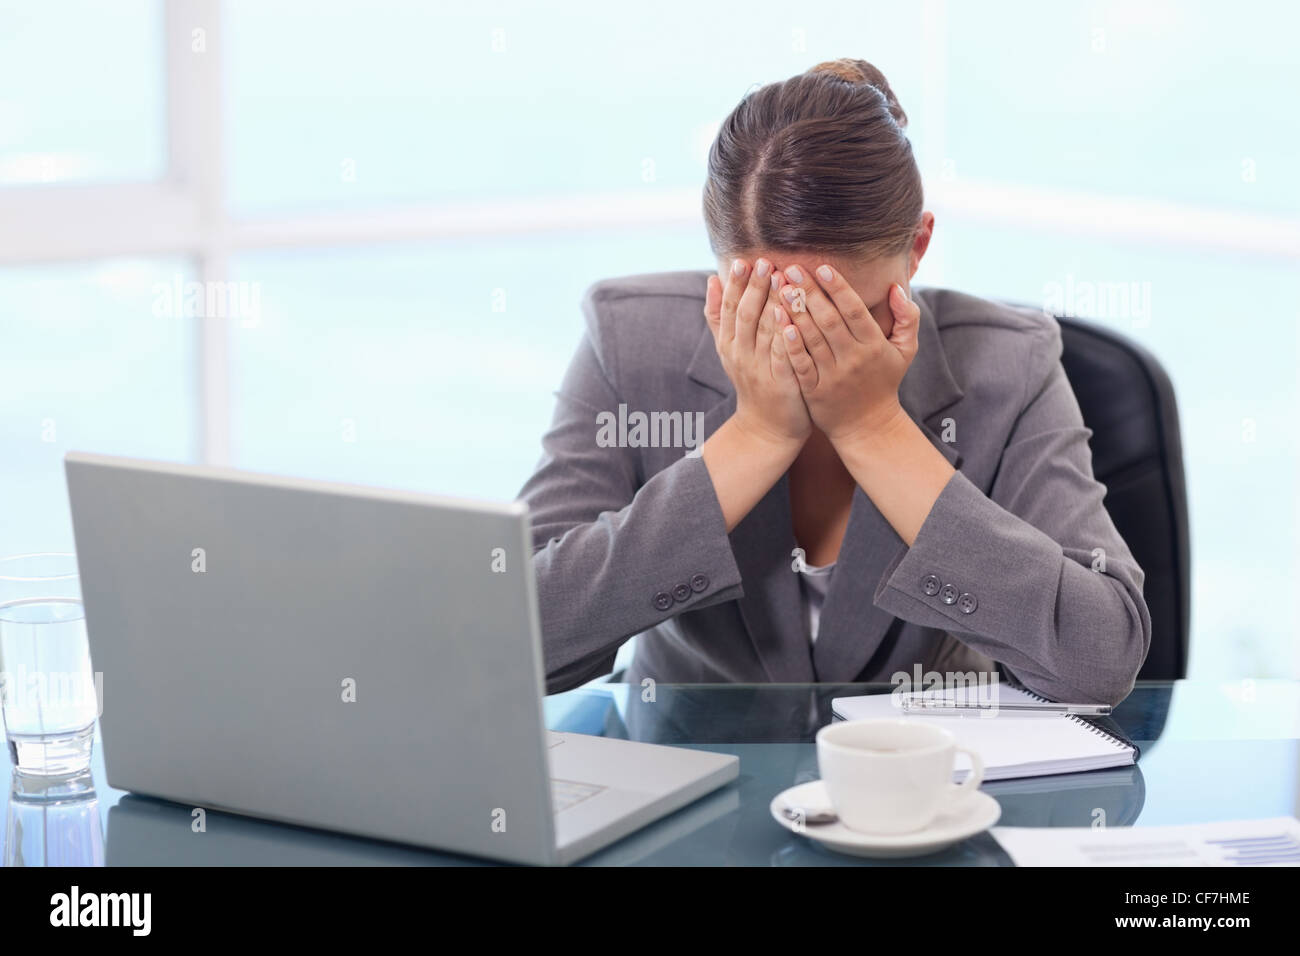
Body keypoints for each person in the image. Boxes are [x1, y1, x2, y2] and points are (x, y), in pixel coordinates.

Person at [518, 58, 1151, 705]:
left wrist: (873, 428)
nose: (806, 347)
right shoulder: (629, 341)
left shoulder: (1009, 363)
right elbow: (517, 639)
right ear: (721, 270)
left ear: (918, 248)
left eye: (848, 316)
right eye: (771, 311)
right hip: (697, 769)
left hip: (927, 778)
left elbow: (1098, 660)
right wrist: (755, 437)